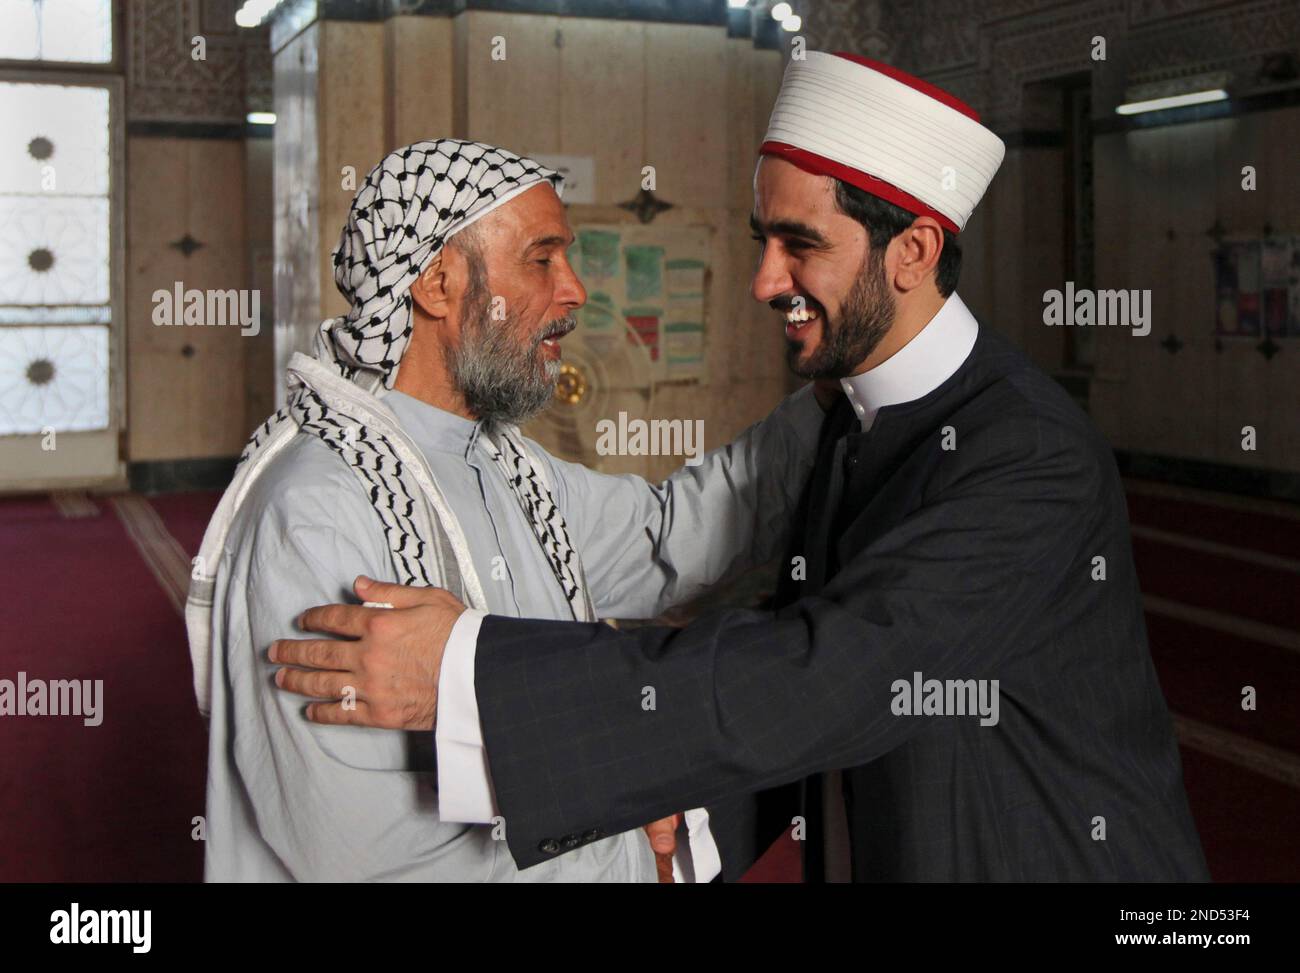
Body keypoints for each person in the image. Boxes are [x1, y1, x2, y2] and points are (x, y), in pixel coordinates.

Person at [273, 55, 1209, 882]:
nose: (765, 280)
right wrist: (680, 830)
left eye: (799, 244)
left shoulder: (1028, 454)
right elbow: (785, 663)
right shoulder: (848, 418)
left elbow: (832, 673)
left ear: (914, 252)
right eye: (763, 238)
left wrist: (473, 673)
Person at [189, 138, 823, 882]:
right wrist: (619, 836)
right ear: (436, 282)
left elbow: (670, 535)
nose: (575, 291)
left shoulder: (512, 468)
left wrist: (839, 392)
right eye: (542, 259)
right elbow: (358, 849)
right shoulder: (320, 512)